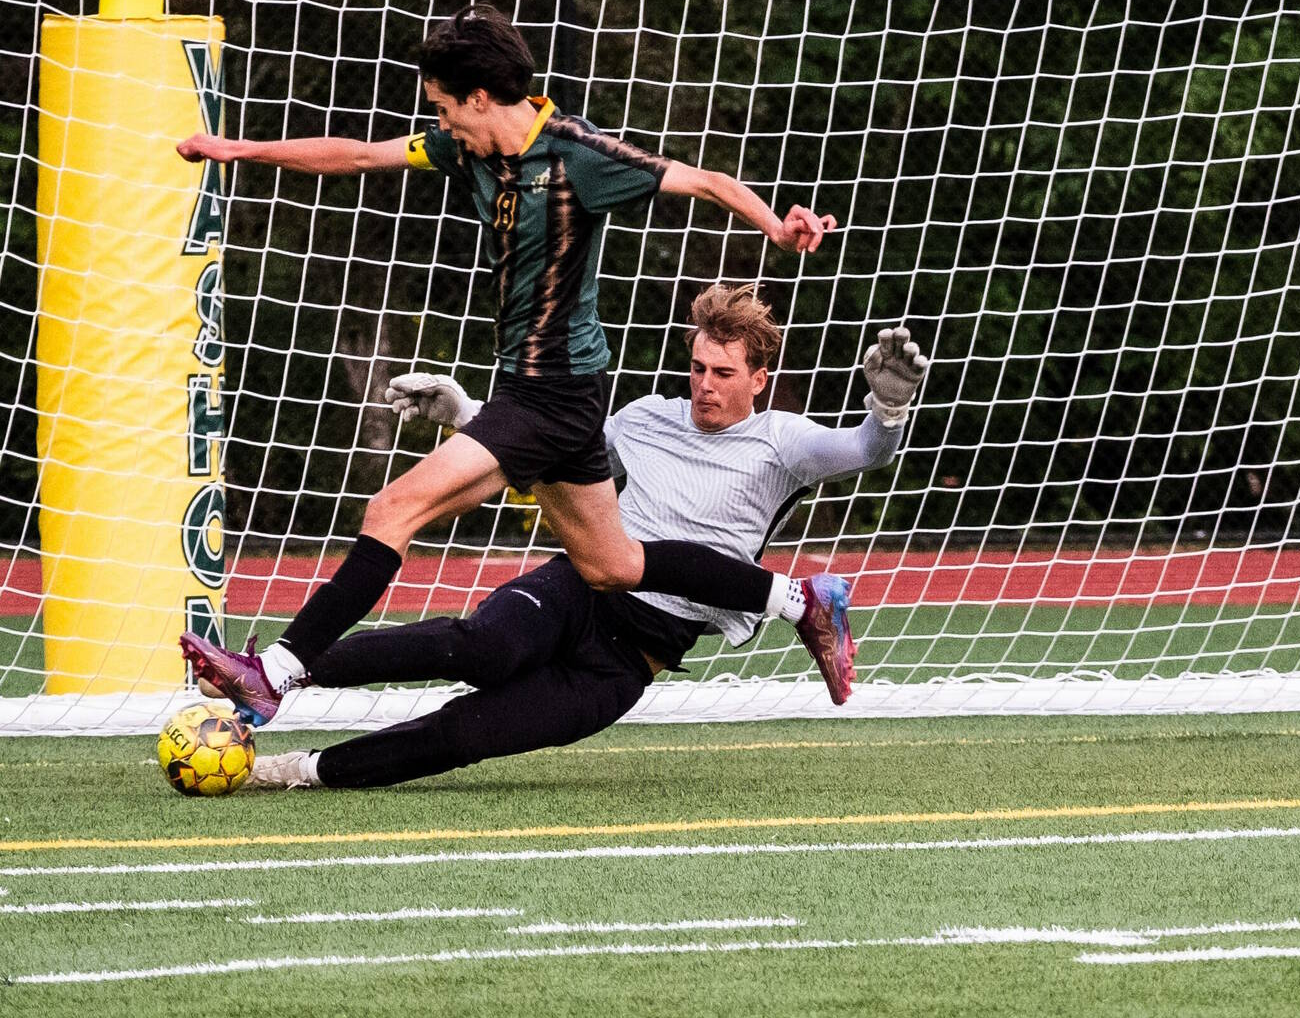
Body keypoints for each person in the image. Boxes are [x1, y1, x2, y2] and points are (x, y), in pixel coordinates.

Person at [174, 5, 846, 718]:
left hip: (549, 396)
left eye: (442, 106)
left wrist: (777, 224)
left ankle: (273, 673)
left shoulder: (575, 154)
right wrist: (239, 151)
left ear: (481, 96)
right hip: (549, 391)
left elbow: (705, 180)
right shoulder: (469, 149)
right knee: (612, 564)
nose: (440, 120)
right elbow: (362, 154)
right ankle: (797, 599)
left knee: (393, 507)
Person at [209, 284, 930, 789]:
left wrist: (889, 409)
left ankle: (302, 769)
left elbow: (865, 450)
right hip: (579, 587)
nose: (706, 384)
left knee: (469, 734)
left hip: (633, 659)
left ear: (760, 379)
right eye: (698, 367)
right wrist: (466, 411)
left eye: (724, 372)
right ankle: (282, 671)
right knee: (483, 647)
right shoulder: (648, 416)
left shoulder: (785, 442)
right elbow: (556, 455)